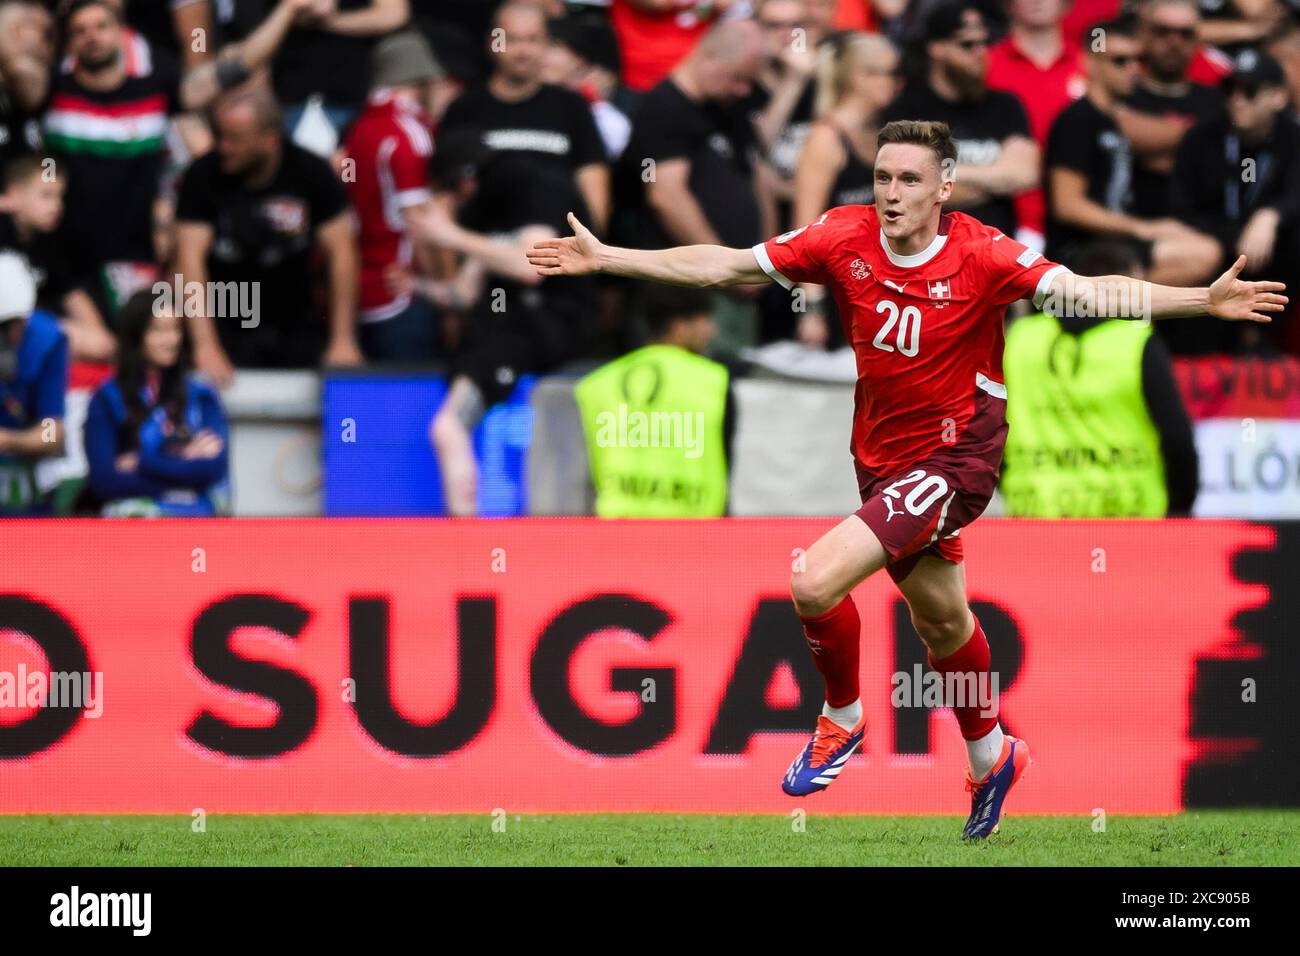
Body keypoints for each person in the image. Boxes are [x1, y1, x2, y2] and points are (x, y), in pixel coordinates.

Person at [527, 118, 1287, 839]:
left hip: (958, 460)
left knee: (814, 582)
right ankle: (994, 756)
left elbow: (1089, 291)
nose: (890, 192)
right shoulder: (841, 235)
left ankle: (843, 716)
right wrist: (610, 258)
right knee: (942, 624)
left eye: (908, 179)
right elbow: (727, 265)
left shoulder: (988, 255)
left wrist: (1199, 301)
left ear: (944, 188)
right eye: (882, 176)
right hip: (882, 462)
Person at [410, 129, 594, 517]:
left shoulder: (532, 186)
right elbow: (464, 292)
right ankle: (469, 537)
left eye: (450, 195)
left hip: (547, 324)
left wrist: (450, 235)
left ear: (465, 182)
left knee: (447, 429)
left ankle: (468, 545)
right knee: (447, 428)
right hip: (503, 327)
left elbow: (532, 267)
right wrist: (415, 285)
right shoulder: (494, 216)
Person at [174, 86, 362, 385]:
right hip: (228, 320)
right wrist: (205, 345)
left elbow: (342, 253)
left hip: (295, 323)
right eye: (220, 136)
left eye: (234, 139)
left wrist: (343, 340)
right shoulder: (202, 177)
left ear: (270, 139)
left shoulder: (311, 173)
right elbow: (188, 259)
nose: (223, 147)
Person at [1001, 241, 1199, 516]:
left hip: (1035, 515)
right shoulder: (1136, 341)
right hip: (1130, 520)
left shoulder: (1019, 338)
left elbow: (985, 425)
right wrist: (1180, 507)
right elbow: (1176, 437)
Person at [1044, 15, 1220, 286]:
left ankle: (1108, 302)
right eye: (1120, 61)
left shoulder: (1114, 121)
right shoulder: (1078, 120)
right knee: (1202, 253)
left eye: (1139, 60)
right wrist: (1143, 228)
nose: (1133, 69)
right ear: (1089, 62)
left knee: (1203, 243)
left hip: (1112, 243)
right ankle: (1099, 302)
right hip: (1081, 250)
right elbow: (1068, 206)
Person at [439, 2, 610, 235]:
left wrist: (591, 246)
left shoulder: (572, 106)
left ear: (545, 45)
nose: (523, 51)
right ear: (493, 43)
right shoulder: (464, 109)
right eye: (513, 40)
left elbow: (593, 182)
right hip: (487, 253)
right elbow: (445, 195)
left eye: (532, 40)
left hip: (562, 254)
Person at [1172, 49, 1300, 354]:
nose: (1237, 99)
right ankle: (1197, 354)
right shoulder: (1202, 138)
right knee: (1202, 253)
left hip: (1278, 256)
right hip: (1216, 247)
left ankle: (1273, 346)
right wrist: (1232, 235)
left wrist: (1271, 215)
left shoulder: (1293, 137)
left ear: (1278, 97)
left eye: (1250, 91)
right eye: (1230, 89)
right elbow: (1179, 208)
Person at [880, 4, 1039, 240]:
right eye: (967, 44)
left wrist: (939, 177)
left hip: (997, 249)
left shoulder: (1005, 105)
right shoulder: (906, 109)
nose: (980, 52)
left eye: (984, 43)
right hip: (928, 251)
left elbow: (1024, 174)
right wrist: (995, 181)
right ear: (936, 48)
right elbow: (904, 189)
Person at [575, 283, 736, 516]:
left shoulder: (597, 383)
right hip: (694, 536)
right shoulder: (715, 381)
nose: (712, 330)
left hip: (616, 533)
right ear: (679, 326)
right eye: (704, 320)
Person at [792, 31, 899, 347]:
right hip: (839, 295)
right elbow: (804, 229)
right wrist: (810, 310)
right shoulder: (826, 138)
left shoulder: (881, 131)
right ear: (860, 78)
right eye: (890, 73)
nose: (897, 82)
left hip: (881, 291)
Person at [83, 289, 229, 516]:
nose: (170, 340)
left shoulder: (202, 395)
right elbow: (104, 481)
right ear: (136, 335)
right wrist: (184, 463)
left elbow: (214, 468)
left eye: (175, 329)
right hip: (133, 530)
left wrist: (142, 462)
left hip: (197, 523)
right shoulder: (106, 398)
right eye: (158, 330)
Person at [344, 29, 441, 362]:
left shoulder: (360, 128)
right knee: (414, 407)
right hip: (405, 293)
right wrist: (442, 288)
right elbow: (421, 224)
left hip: (364, 291)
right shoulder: (409, 132)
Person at [0, 152, 115, 360]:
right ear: (12, 196)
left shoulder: (47, 244)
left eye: (60, 196)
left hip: (31, 334)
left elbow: (74, 297)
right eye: (46, 195)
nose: (56, 206)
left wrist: (102, 341)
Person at [0, 251, 67, 515]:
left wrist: (10, 441)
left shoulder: (48, 341)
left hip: (28, 486)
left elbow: (52, 432)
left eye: (13, 324)